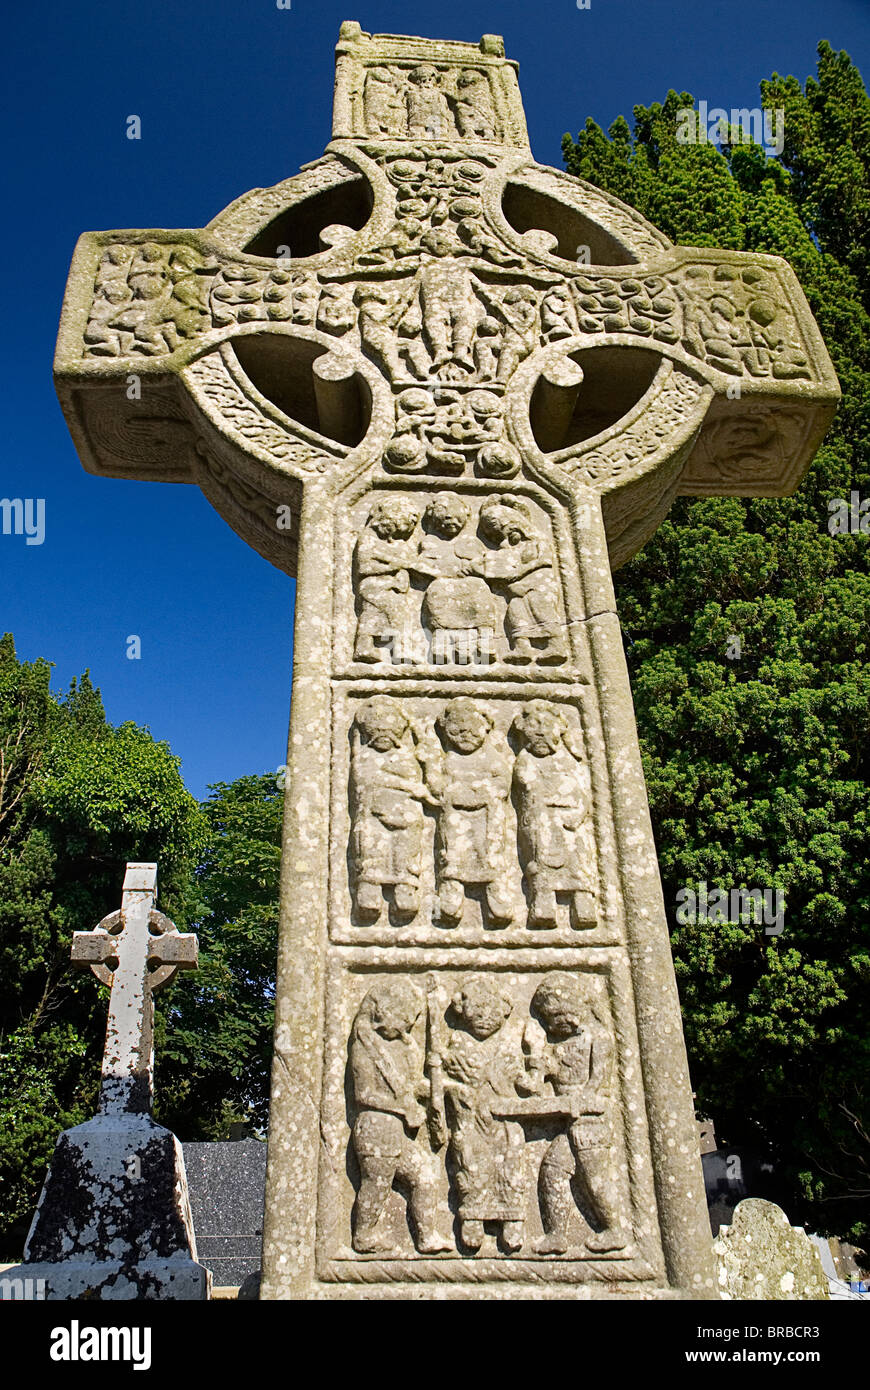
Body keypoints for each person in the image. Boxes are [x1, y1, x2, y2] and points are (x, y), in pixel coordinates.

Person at [349, 981, 452, 1254]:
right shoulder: (364, 1045)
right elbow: (364, 1095)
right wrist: (403, 1109)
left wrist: (445, 1089)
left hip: (396, 1131)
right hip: (376, 1128)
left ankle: (427, 1238)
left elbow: (413, 1087)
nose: (407, 1028)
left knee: (425, 1175)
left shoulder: (404, 1047)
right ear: (386, 1011)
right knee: (377, 1185)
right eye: (405, 1020)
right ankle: (363, 1236)